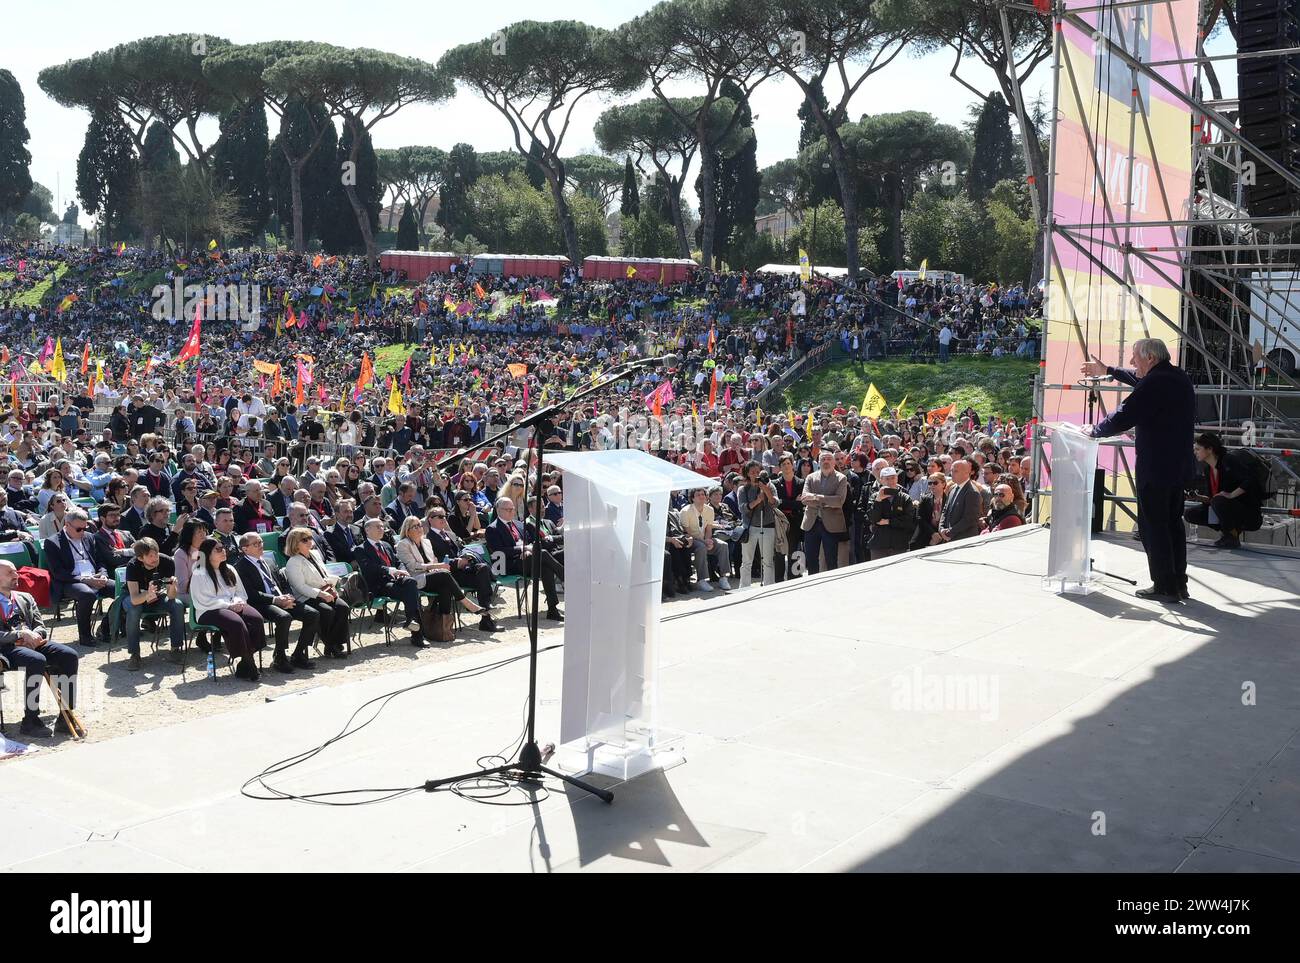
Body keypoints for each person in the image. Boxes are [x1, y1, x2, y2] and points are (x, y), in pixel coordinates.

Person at [1084, 338, 1196, 601]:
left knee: (1152, 527)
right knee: (1172, 525)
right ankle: (1178, 582)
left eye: (1135, 357)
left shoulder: (1156, 382)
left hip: (1157, 467)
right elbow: (1139, 381)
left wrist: (1095, 431)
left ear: (1151, 359)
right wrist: (1109, 370)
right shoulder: (1175, 376)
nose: (1132, 363)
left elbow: (1126, 413)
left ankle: (1165, 586)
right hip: (1175, 467)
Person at [0, 559, 81, 738]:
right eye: (9, 573)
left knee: (69, 655)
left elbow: (40, 626)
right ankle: (30, 720)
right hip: (5, 649)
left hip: (32, 644)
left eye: (15, 571)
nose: (16, 575)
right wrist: (21, 635)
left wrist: (35, 635)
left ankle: (66, 714)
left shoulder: (25, 597)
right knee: (36, 660)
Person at [234, 531, 318, 673]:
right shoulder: (240, 567)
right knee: (284, 617)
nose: (260, 545)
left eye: (261, 542)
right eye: (256, 544)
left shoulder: (269, 560)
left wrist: (288, 596)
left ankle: (298, 654)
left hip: (282, 599)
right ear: (245, 549)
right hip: (261, 603)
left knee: (313, 614)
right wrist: (275, 600)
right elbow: (251, 594)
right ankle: (280, 657)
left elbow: (283, 581)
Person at [188, 537, 267, 681]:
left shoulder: (230, 569)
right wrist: (229, 606)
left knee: (256, 619)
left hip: (233, 605)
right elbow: (204, 600)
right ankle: (250, 663)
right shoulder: (199, 573)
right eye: (218, 549)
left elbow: (240, 593)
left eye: (223, 547)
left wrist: (238, 602)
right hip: (208, 610)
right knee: (236, 623)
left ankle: (244, 663)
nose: (223, 551)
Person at [393, 516, 486, 624]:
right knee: (443, 575)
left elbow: (433, 560)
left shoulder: (426, 542)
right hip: (416, 578)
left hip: (432, 575)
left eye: (420, 525)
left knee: (445, 587)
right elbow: (413, 566)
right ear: (407, 531)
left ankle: (443, 625)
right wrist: (437, 566)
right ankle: (467, 603)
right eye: (415, 526)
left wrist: (436, 567)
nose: (419, 528)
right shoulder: (403, 544)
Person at [43, 508, 114, 647]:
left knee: (122, 589)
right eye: (79, 529)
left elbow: (100, 561)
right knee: (86, 595)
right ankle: (85, 636)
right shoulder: (52, 542)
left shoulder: (89, 536)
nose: (82, 532)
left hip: (95, 576)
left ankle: (106, 627)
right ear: (67, 525)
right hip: (70, 580)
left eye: (84, 528)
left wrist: (103, 574)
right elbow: (58, 573)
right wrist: (85, 579)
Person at [485, 496, 564, 621]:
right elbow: (498, 551)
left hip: (527, 560)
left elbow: (532, 541)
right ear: (498, 510)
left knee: (546, 568)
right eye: (507, 509)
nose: (511, 512)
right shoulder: (492, 528)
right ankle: (564, 575)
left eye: (513, 509)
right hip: (508, 564)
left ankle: (552, 609)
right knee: (542, 554)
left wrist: (529, 549)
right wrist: (523, 549)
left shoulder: (519, 524)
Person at [353, 517, 427, 647]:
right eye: (378, 527)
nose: (382, 529)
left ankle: (412, 622)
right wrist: (390, 570)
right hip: (378, 585)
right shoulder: (360, 549)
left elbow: (398, 562)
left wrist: (403, 571)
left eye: (382, 526)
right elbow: (369, 568)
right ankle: (417, 633)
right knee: (411, 593)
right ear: (367, 530)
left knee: (411, 583)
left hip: (394, 580)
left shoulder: (386, 545)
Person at [1184, 432, 1264, 549]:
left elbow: (1251, 480)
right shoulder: (1208, 469)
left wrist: (1231, 495)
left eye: (1197, 449)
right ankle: (1228, 532)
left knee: (1219, 500)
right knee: (1190, 514)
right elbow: (1212, 498)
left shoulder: (1228, 460)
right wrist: (1197, 497)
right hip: (1225, 507)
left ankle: (1231, 535)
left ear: (1210, 449)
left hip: (1248, 513)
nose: (1194, 452)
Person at [282, 527, 350, 659]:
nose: (309, 541)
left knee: (343, 608)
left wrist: (332, 582)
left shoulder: (315, 554)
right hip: (307, 596)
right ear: (295, 543)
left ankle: (334, 643)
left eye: (310, 537)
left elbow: (323, 573)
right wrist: (321, 593)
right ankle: (331, 646)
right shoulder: (293, 562)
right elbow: (300, 587)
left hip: (325, 590)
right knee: (327, 611)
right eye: (304, 539)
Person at [427, 506, 499, 631]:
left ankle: (486, 614)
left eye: (445, 516)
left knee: (482, 569)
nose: (444, 519)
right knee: (483, 579)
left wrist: (466, 557)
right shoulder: (428, 538)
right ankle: (486, 614)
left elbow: (459, 551)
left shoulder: (448, 534)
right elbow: (434, 560)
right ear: (430, 520)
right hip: (448, 575)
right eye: (440, 517)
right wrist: (456, 562)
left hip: (461, 570)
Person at [122, 537, 187, 670]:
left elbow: (171, 597)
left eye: (156, 554)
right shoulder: (133, 566)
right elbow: (134, 599)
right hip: (134, 597)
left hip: (157, 596)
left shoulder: (167, 562)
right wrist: (148, 593)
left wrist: (173, 586)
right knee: (134, 609)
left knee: (177, 605)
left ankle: (176, 648)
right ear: (141, 558)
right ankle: (134, 654)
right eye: (150, 556)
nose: (155, 558)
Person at [799, 451, 848, 575]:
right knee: (811, 560)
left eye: (829, 459)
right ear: (819, 462)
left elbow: (838, 501)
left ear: (834, 462)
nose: (826, 462)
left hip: (831, 525)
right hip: (811, 523)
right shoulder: (810, 477)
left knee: (831, 560)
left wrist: (815, 497)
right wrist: (827, 501)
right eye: (823, 459)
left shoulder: (841, 478)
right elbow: (804, 499)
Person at [679, 488, 731, 591]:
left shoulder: (709, 510)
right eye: (698, 495)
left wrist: (709, 540)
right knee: (701, 547)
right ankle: (701, 580)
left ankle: (723, 578)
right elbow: (688, 533)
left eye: (703, 494)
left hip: (704, 539)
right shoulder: (685, 511)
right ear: (692, 498)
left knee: (723, 545)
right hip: (690, 540)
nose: (701, 496)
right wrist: (704, 542)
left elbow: (708, 528)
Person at [737, 462, 779, 588]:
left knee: (768, 561)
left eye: (757, 472)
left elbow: (775, 503)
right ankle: (744, 587)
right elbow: (743, 508)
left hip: (767, 526)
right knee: (747, 561)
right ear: (747, 474)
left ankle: (769, 586)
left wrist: (765, 489)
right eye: (752, 472)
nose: (755, 475)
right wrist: (757, 501)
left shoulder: (770, 486)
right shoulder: (743, 489)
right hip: (750, 527)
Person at [866, 466, 916, 560]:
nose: (890, 481)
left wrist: (889, 521)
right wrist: (878, 500)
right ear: (881, 480)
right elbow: (873, 518)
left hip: (899, 545)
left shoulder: (905, 497)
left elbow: (909, 520)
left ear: (897, 478)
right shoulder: (874, 497)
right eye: (887, 478)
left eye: (893, 478)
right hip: (879, 545)